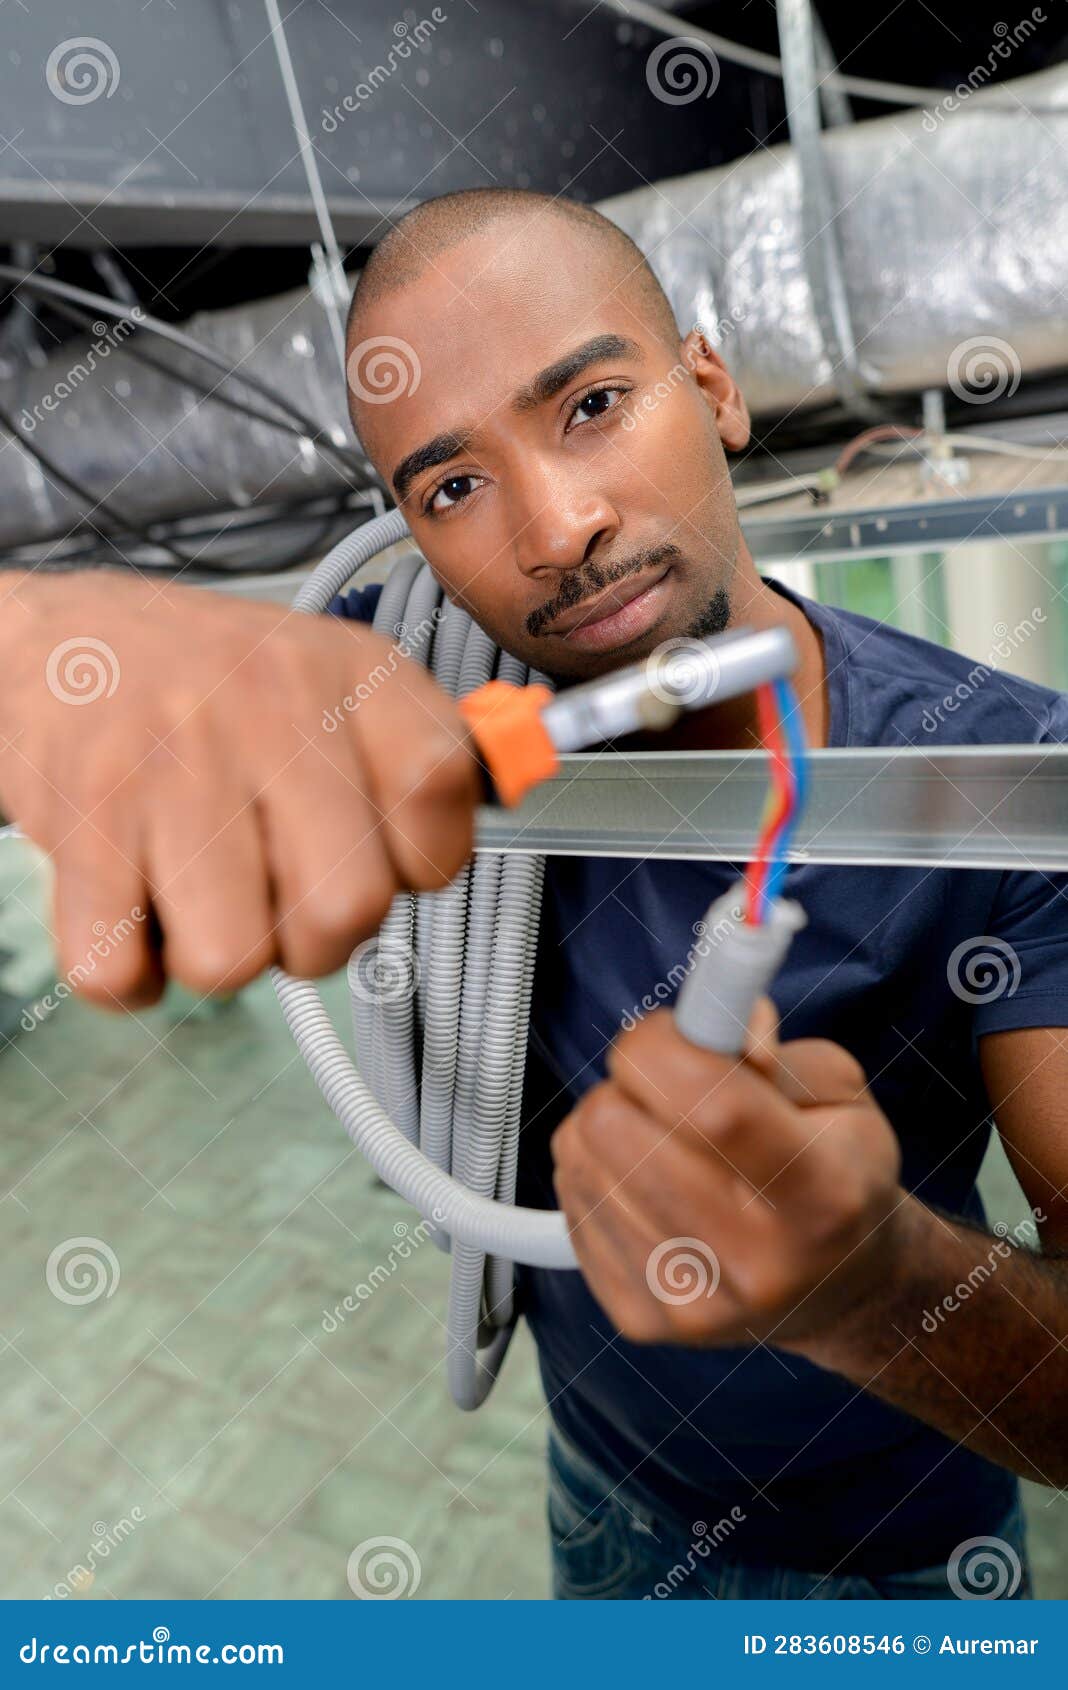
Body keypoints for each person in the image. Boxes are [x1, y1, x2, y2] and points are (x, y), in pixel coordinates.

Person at [1, 185, 1065, 1600]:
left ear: (714, 389)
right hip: (599, 1491)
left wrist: (873, 1287)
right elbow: (169, 708)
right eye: (452, 487)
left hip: (900, 1561)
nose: (557, 529)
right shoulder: (400, 682)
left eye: (593, 405)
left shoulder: (1005, 779)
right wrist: (38, 639)